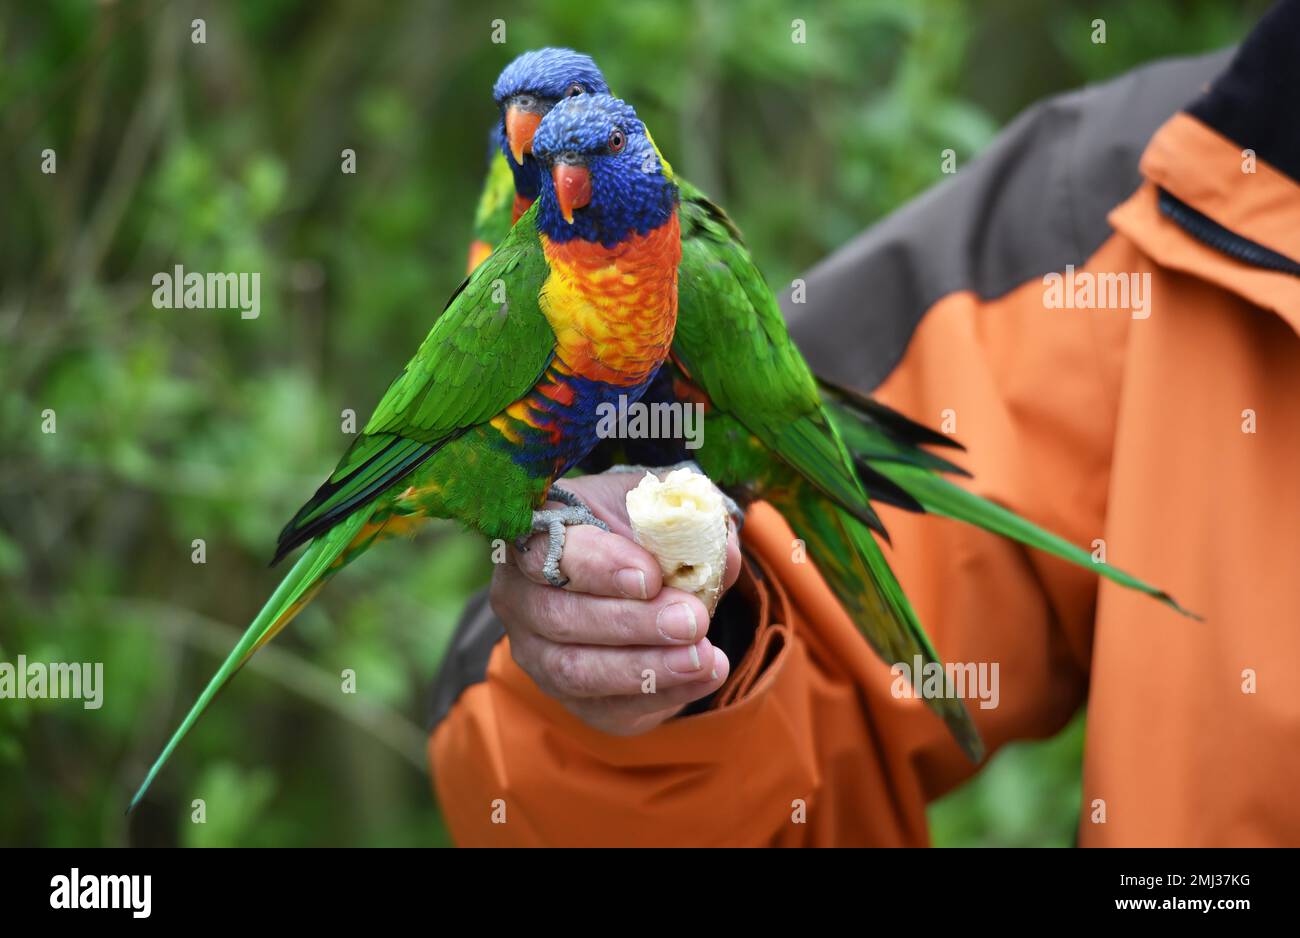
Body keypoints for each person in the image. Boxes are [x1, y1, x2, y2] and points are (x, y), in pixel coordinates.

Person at [427, 0, 1300, 846]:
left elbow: (766, 412)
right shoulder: (1105, 194)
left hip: (754, 446)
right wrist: (685, 651)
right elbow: (785, 750)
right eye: (523, 125)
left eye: (568, 119)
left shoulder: (672, 261)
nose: (540, 141)